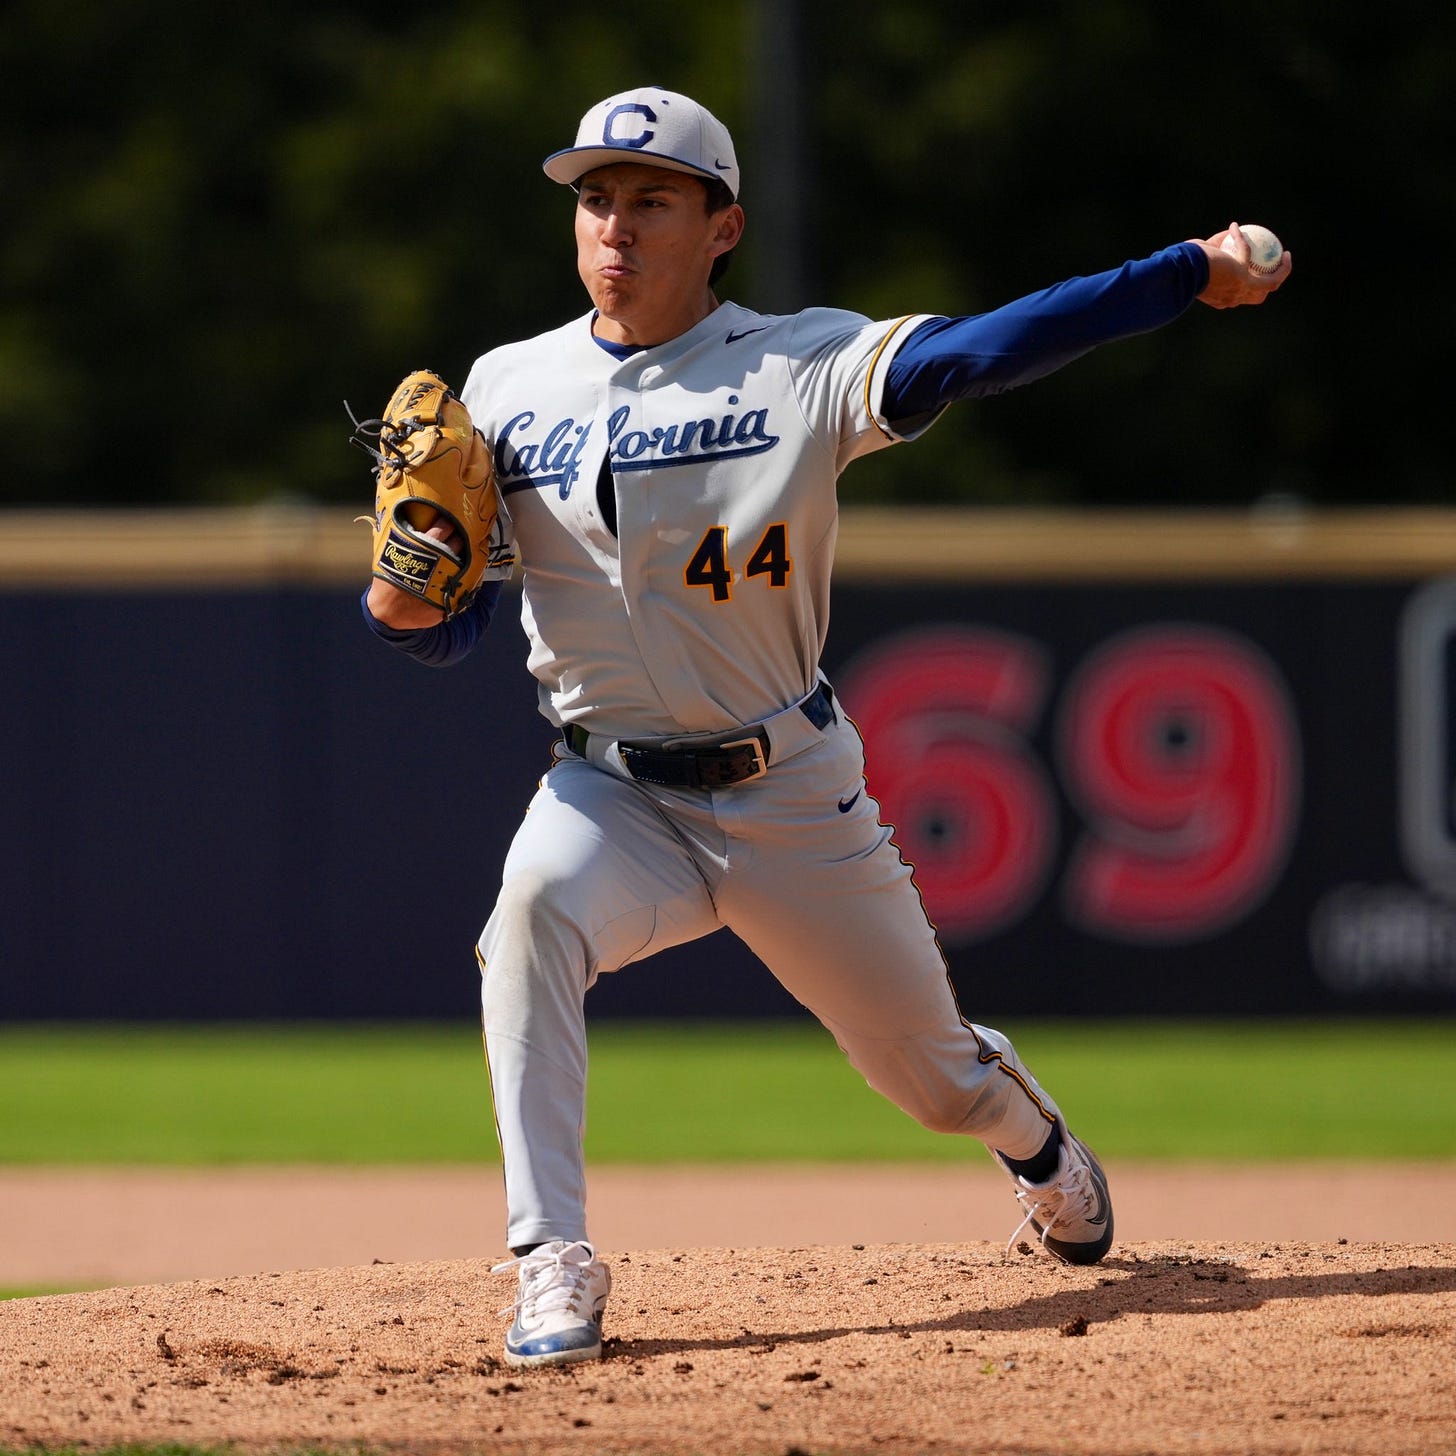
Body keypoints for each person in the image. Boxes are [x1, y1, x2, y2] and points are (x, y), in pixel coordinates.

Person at [362, 85, 1291, 1369]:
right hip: (609, 793)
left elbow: (984, 349)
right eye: (593, 199)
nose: (614, 226)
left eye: (650, 198)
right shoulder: (508, 386)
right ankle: (551, 1260)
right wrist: (403, 602)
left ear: (722, 224)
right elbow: (449, 622)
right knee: (527, 919)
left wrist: (1182, 272)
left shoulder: (801, 361)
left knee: (931, 1082)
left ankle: (1030, 1137)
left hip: (785, 791)